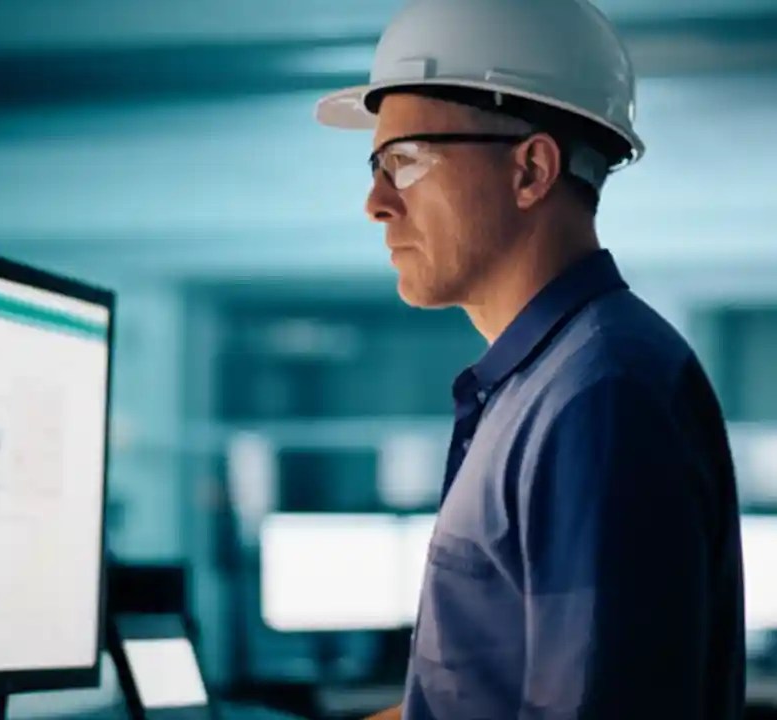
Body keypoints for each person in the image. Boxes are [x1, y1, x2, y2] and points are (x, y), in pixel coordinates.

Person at [314, 0, 745, 717]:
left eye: (406, 161)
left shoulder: (601, 397)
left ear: (532, 170)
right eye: (376, 165)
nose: (376, 203)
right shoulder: (540, 386)